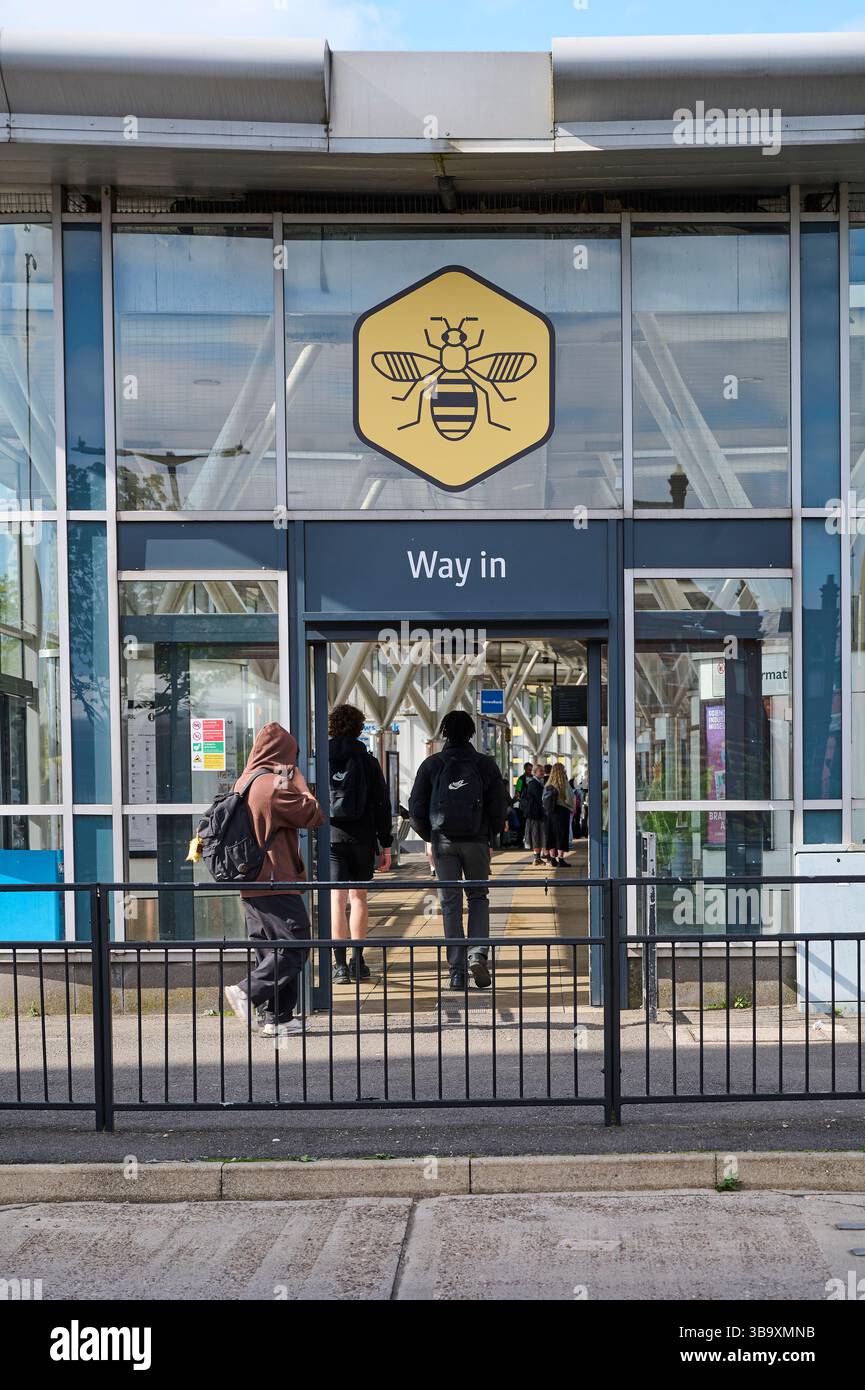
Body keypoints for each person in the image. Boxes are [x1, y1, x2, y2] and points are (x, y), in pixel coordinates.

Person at [224, 722, 324, 1040]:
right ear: (283, 754)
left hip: (251, 880)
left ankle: (278, 1017)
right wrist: (300, 782)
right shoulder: (274, 786)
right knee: (296, 945)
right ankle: (246, 992)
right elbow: (313, 814)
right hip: (275, 879)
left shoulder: (246, 780)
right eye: (291, 754)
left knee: (271, 949)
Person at [408, 709, 507, 991]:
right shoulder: (485, 764)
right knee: (478, 897)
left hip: (444, 842)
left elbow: (416, 809)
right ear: (471, 733)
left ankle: (457, 972)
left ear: (444, 732)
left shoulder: (432, 765)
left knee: (450, 904)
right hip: (476, 841)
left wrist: (433, 836)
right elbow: (499, 807)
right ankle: (478, 954)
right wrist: (488, 835)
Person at [327, 703, 393, 985]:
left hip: (331, 836)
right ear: (358, 728)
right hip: (362, 838)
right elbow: (381, 803)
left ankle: (339, 964)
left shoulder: (321, 756)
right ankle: (358, 959)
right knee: (358, 898)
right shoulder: (367, 761)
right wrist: (385, 843)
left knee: (336, 899)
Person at [542, 762, 574, 867]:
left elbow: (543, 799)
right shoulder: (564, 784)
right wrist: (571, 808)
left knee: (551, 835)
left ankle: (552, 859)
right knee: (561, 835)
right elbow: (570, 798)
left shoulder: (548, 784)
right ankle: (561, 859)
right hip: (562, 812)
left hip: (550, 813)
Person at [522, 764, 547, 865]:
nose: (542, 772)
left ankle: (538, 857)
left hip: (537, 814)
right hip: (534, 814)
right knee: (536, 835)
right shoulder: (533, 784)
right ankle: (536, 857)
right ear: (535, 772)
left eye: (543, 770)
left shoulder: (539, 783)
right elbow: (540, 798)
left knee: (538, 834)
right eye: (540, 771)